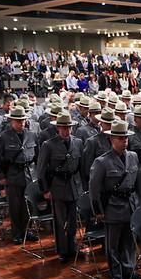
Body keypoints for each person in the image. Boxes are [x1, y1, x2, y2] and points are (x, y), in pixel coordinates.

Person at [89, 120, 141, 279]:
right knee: (113, 244)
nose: (124, 141)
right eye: (120, 138)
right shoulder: (102, 161)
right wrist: (98, 210)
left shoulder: (133, 157)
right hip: (112, 206)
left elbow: (137, 183)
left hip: (130, 205)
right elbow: (94, 189)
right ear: (112, 139)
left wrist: (138, 204)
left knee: (129, 242)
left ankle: (129, 269)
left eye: (126, 137)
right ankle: (116, 273)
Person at [36, 112, 84, 263]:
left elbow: (81, 167)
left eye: (68, 127)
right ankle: (62, 250)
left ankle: (72, 246)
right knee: (59, 220)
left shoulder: (77, 142)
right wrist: (45, 190)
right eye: (63, 128)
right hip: (57, 186)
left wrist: (82, 186)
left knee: (72, 220)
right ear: (58, 128)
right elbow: (41, 170)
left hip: (73, 186)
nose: (66, 131)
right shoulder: (48, 145)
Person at [0, 105, 38, 244]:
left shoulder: (31, 135)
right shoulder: (3, 137)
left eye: (23, 120)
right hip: (12, 175)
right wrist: (0, 176)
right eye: (18, 120)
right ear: (11, 121)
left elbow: (37, 156)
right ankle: (17, 233)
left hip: (29, 175)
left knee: (28, 205)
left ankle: (27, 230)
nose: (21, 123)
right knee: (15, 206)